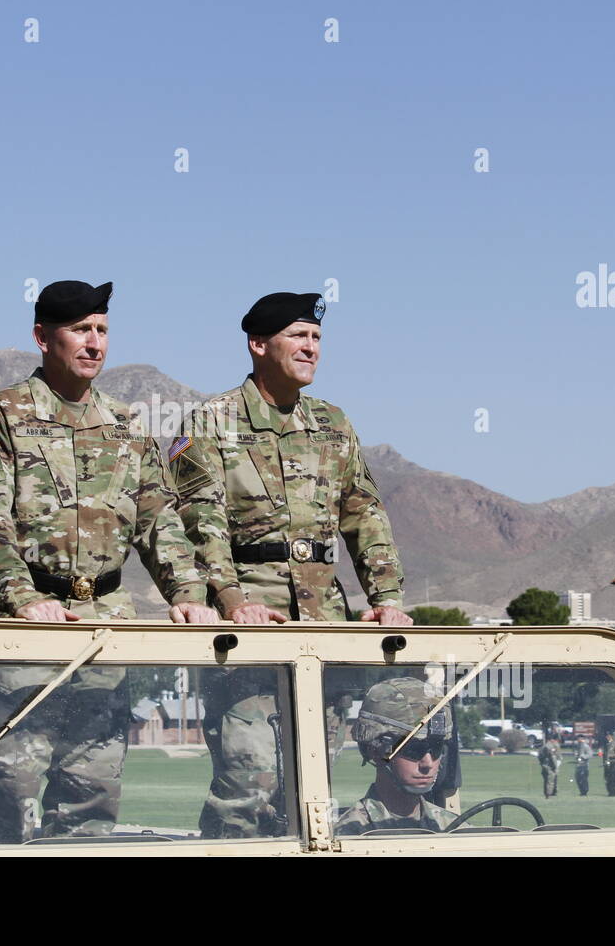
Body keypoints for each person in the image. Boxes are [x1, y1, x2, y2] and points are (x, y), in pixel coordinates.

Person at [0, 279, 217, 843]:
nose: (94, 343)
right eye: (80, 330)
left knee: (91, 797)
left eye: (101, 330)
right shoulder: (1, 415)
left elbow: (159, 520)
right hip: (22, 631)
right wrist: (24, 598)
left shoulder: (126, 424)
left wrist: (188, 593)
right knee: (11, 796)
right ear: (42, 337)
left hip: (105, 627)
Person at [167, 291, 412, 838]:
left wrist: (385, 600)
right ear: (258, 344)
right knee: (247, 782)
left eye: (317, 338)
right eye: (298, 336)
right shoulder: (212, 421)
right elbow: (197, 520)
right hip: (250, 628)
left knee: (310, 785)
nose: (311, 348)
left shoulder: (334, 423)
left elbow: (364, 515)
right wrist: (232, 601)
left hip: (324, 624)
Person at [335, 677, 456, 835]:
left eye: (436, 748)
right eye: (414, 749)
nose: (428, 763)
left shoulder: (452, 828)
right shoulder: (349, 835)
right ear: (376, 750)